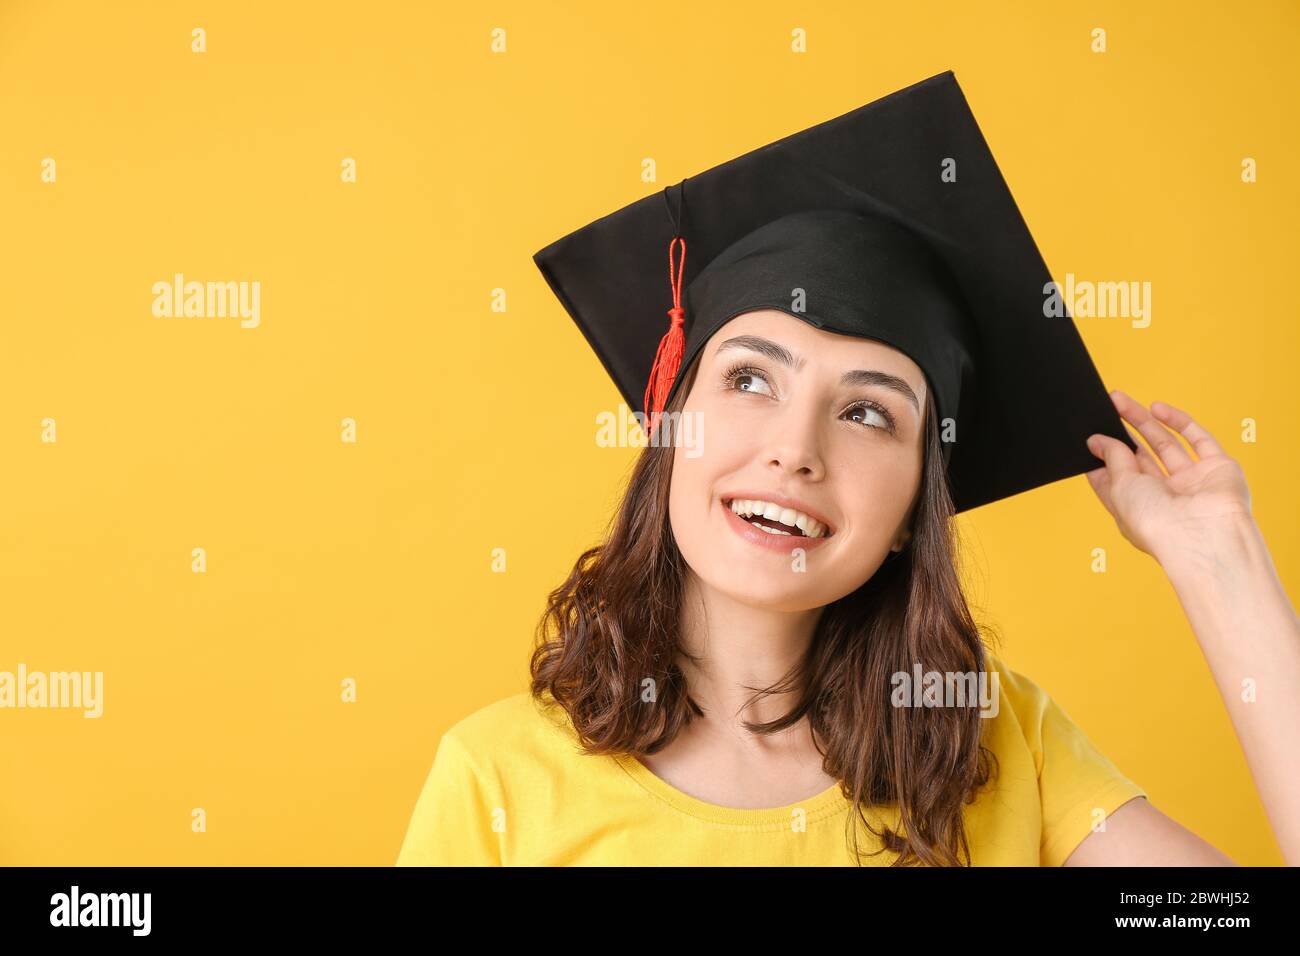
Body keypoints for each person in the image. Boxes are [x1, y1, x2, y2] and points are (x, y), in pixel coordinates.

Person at [396, 71, 1300, 866]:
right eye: (750, 377)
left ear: (916, 502)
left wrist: (1219, 560)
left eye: (868, 411)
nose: (795, 448)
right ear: (671, 421)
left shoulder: (999, 746)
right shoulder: (498, 782)